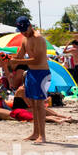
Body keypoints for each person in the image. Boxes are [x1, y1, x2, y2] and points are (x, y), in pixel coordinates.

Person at [10, 15, 51, 143]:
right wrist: (7, 60)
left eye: (25, 30)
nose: (24, 33)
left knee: (39, 104)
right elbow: (19, 57)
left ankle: (42, 136)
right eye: (21, 31)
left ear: (30, 26)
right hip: (32, 73)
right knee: (33, 104)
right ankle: (35, 133)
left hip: (42, 73)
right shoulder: (24, 39)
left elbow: (38, 59)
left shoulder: (38, 39)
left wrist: (17, 60)